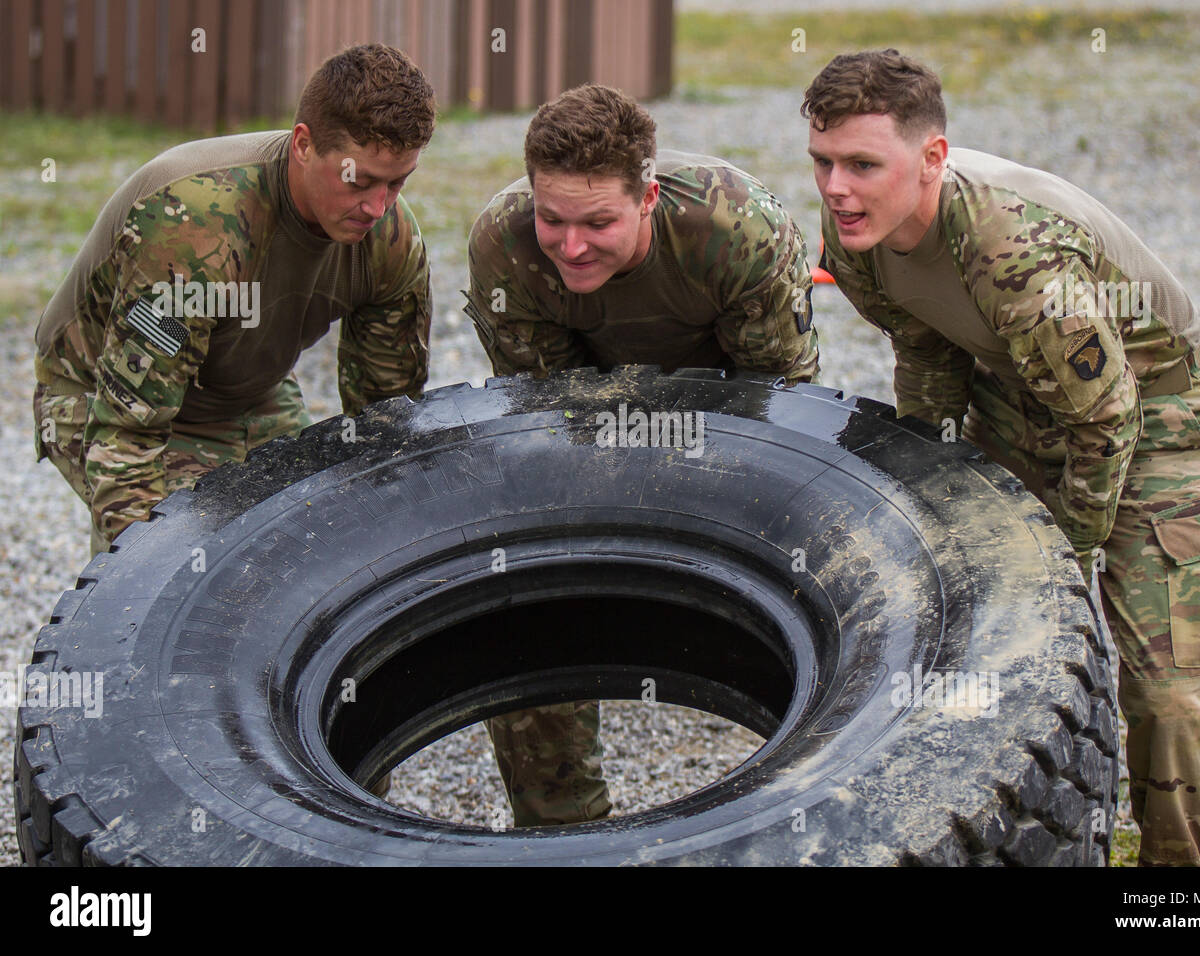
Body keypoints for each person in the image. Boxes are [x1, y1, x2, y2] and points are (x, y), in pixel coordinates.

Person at [804, 49, 1200, 866]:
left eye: (863, 164)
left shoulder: (1014, 254)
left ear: (931, 158)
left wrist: (1068, 558)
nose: (836, 187)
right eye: (823, 161)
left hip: (1158, 421)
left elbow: (1107, 424)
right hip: (1023, 396)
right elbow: (926, 346)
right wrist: (922, 478)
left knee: (1165, 687)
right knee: (974, 626)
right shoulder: (857, 238)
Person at [464, 83, 820, 826]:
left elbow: (779, 416)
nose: (569, 245)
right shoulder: (505, 243)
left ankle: (797, 806)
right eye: (552, 218)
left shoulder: (737, 230)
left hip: (728, 406)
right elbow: (549, 421)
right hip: (587, 411)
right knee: (530, 596)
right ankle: (562, 828)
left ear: (648, 197)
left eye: (598, 222)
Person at [34, 43, 435, 557]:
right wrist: (142, 576)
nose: (378, 207)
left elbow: (385, 427)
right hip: (99, 395)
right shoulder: (197, 225)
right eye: (360, 180)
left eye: (398, 182)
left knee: (317, 537)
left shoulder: (391, 240)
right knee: (194, 557)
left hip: (249, 390)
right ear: (304, 145)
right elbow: (127, 439)